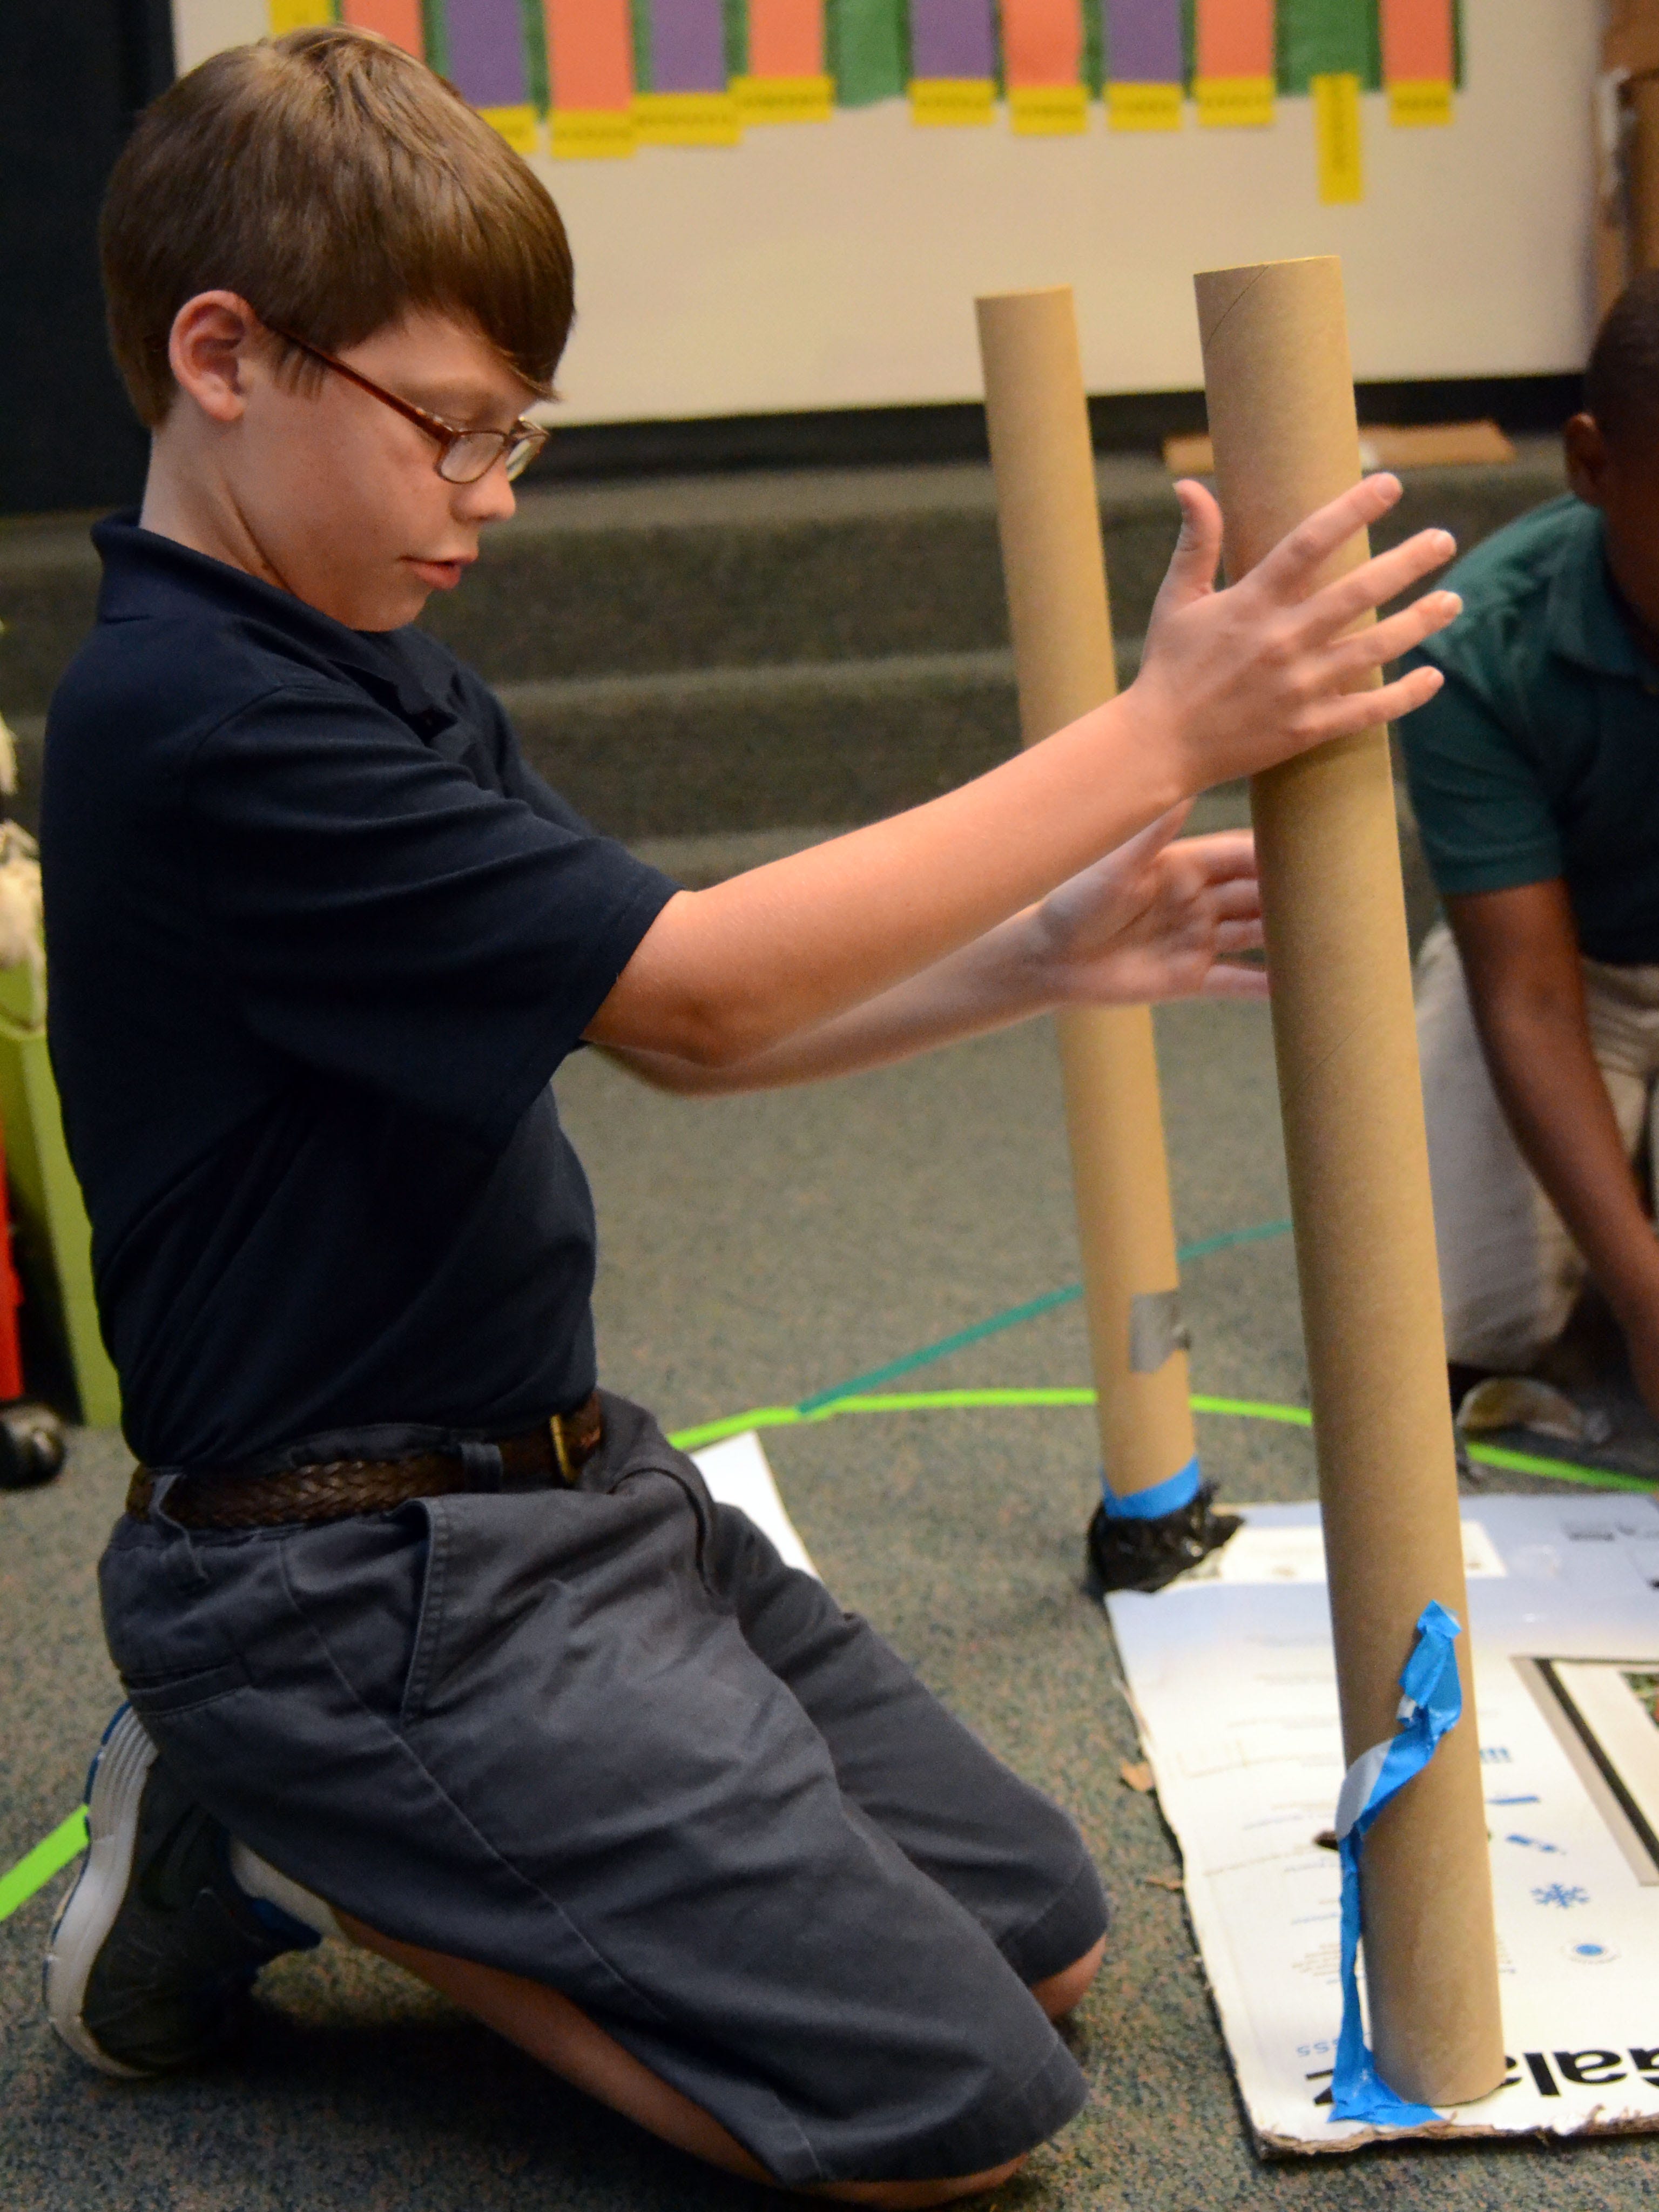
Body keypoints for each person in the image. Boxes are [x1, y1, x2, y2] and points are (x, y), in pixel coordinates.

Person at [38, 28, 1459, 2205]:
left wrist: (1037, 956)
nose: (493, 495)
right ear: (223, 355)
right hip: (341, 1577)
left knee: (1048, 1938)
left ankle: (375, 1812)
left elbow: (666, 1030)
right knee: (947, 2110)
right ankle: (310, 1836)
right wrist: (1158, 729)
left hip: (572, 1495)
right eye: (454, 430)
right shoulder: (195, 720)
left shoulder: (376, 664)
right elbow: (705, 978)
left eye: (518, 435)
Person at [1404, 272, 1659, 1431]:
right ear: (1593, 463)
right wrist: (1647, 1298)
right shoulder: (1480, 646)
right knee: (1469, 1322)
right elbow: (1535, 996)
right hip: (1571, 969)